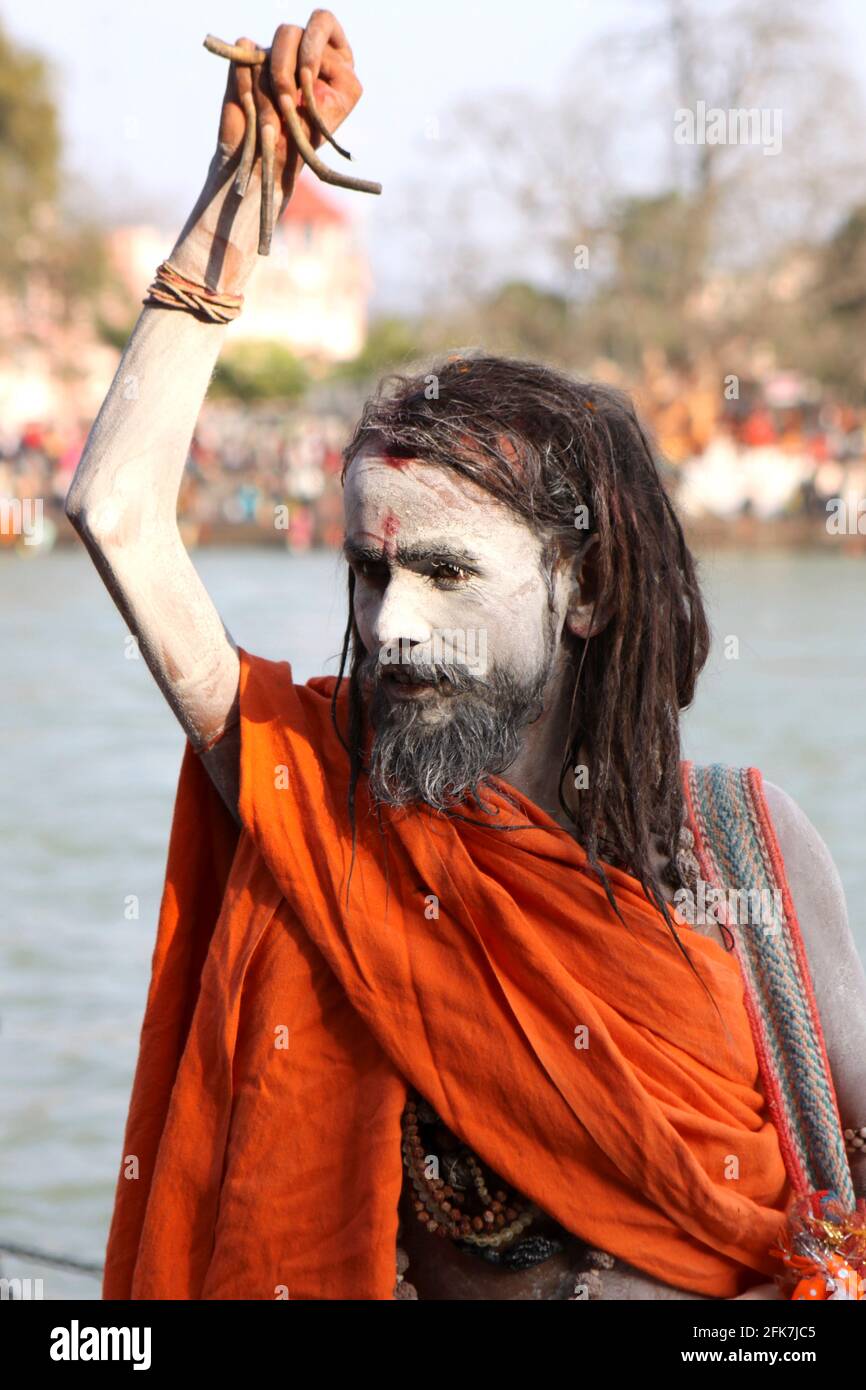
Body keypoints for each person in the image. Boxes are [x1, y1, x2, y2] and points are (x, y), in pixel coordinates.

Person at [66, 11, 866, 1302]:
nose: (390, 626)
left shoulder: (738, 848)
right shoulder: (320, 793)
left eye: (444, 572)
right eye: (370, 572)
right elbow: (113, 512)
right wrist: (247, 193)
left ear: (588, 588)